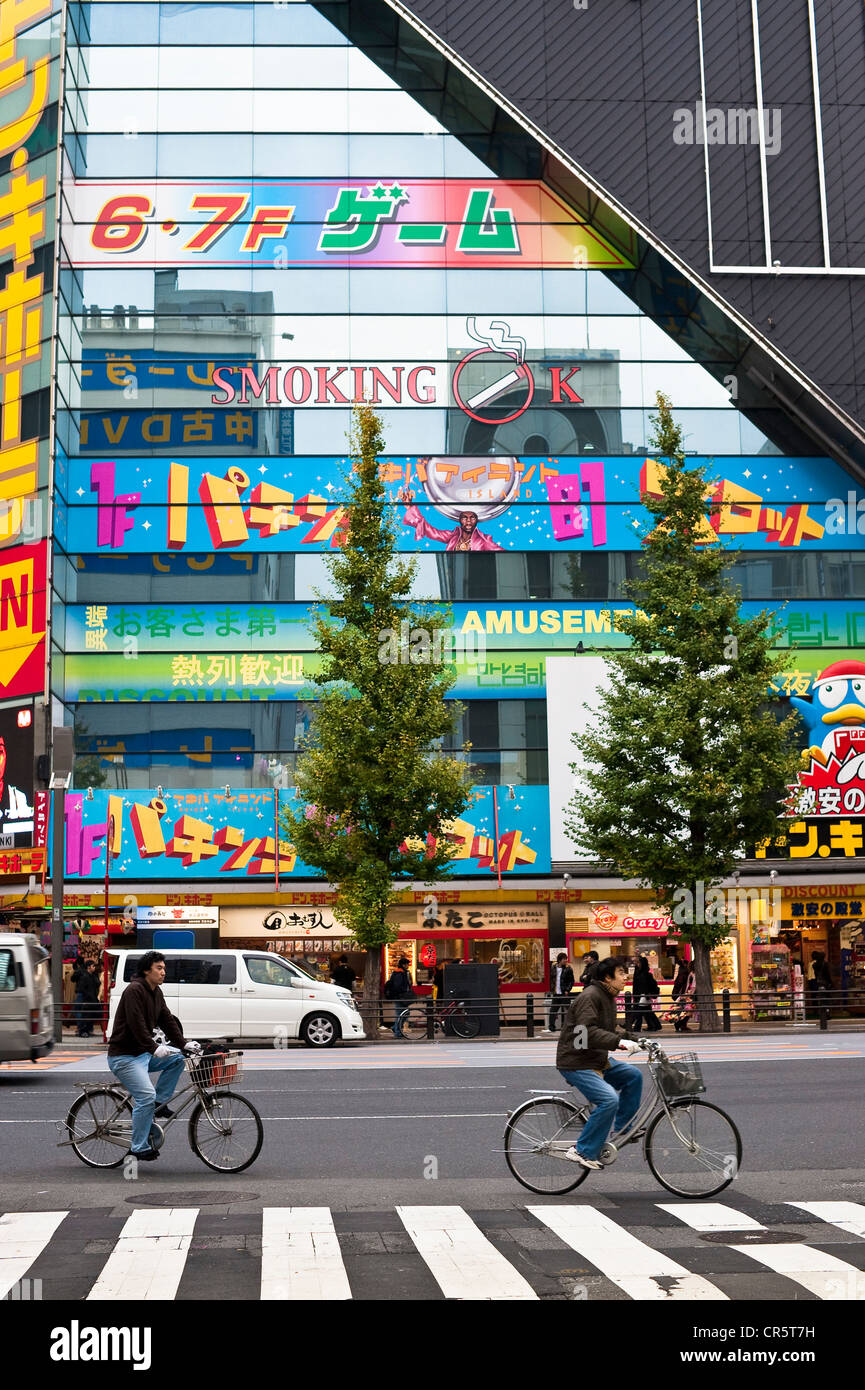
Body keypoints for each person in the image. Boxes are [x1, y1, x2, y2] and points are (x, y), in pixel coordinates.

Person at [107, 950, 200, 1161]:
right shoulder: (134, 990)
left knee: (178, 1058)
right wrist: (153, 1047)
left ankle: (159, 1103)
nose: (163, 972)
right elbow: (136, 1024)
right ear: (146, 970)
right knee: (145, 1097)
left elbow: (167, 1020)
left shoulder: (156, 992)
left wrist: (184, 1043)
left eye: (164, 968)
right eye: (159, 968)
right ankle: (138, 1147)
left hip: (143, 1054)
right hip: (124, 1057)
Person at [556, 956, 643, 1171]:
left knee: (633, 1076)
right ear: (607, 977)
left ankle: (623, 1128)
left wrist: (637, 1040)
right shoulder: (591, 996)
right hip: (577, 1061)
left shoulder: (607, 996)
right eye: (621, 973)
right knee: (609, 1100)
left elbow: (609, 1030)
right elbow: (584, 1033)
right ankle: (582, 1150)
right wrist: (619, 1042)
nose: (626, 977)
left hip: (596, 1058)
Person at [383, 956, 415, 1037]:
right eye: (407, 964)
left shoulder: (402, 972)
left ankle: (395, 1028)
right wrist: (404, 992)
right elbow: (398, 986)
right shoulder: (399, 973)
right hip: (400, 997)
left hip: (401, 997)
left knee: (405, 1014)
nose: (408, 966)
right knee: (400, 1014)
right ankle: (397, 1032)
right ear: (403, 965)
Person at [543, 953, 575, 1033]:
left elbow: (571, 981)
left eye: (566, 958)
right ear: (560, 960)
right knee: (553, 1010)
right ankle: (551, 1027)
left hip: (564, 993)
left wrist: (567, 990)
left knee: (568, 1011)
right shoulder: (553, 968)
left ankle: (569, 1027)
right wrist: (551, 989)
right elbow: (551, 979)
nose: (566, 960)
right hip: (556, 993)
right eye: (564, 959)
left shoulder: (568, 969)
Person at [629, 954, 661, 1033]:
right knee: (647, 1012)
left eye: (639, 963)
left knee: (639, 1012)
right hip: (642, 995)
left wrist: (646, 993)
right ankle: (655, 1025)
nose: (637, 964)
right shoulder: (640, 972)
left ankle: (636, 1027)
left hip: (644, 995)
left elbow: (647, 985)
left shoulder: (645, 974)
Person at [71, 958, 101, 1037]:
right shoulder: (83, 975)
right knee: (83, 1013)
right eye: (93, 966)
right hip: (86, 996)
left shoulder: (92, 975)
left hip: (90, 996)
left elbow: (98, 984)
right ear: (88, 967)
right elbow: (81, 987)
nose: (94, 967)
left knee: (88, 1013)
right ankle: (83, 1030)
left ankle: (86, 1029)